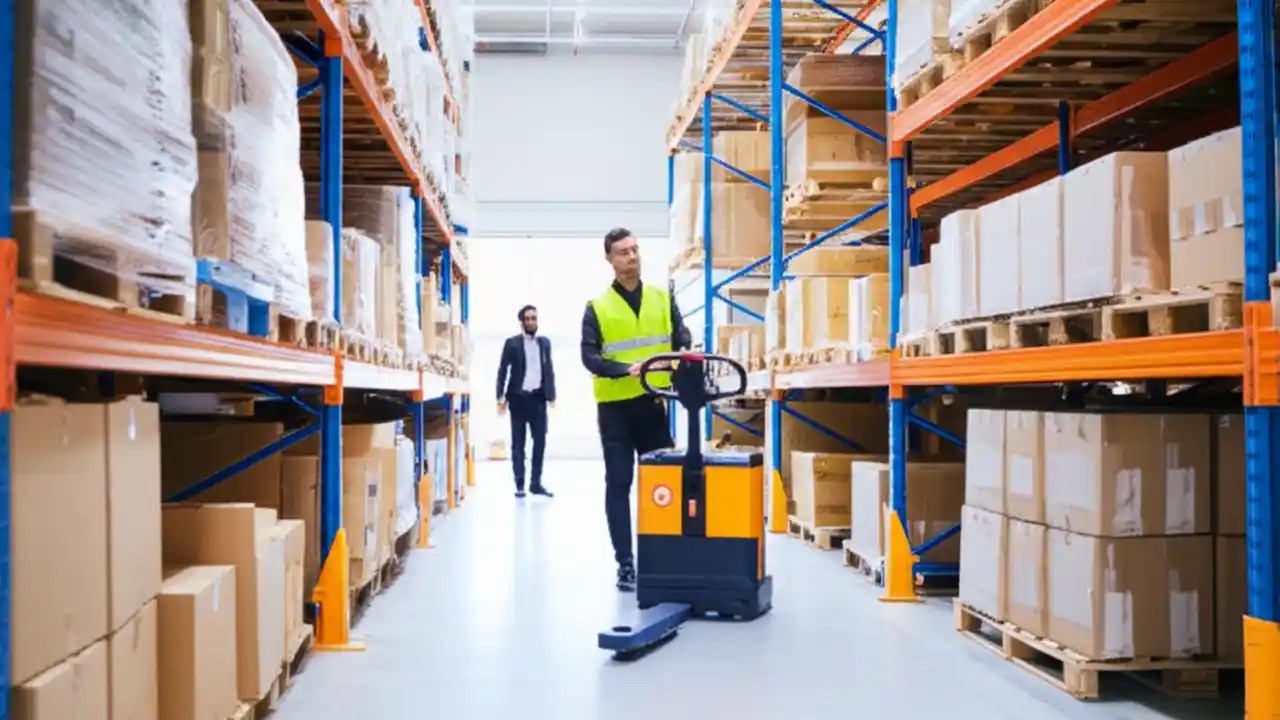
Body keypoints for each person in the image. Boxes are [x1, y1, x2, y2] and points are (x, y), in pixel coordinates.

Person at [581, 228, 690, 591]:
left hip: (652, 404)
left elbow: (682, 337)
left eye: (635, 249)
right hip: (615, 411)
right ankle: (625, 563)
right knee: (620, 484)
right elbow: (589, 357)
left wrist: (679, 360)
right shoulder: (597, 307)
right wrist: (624, 369)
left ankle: (665, 553)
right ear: (609, 260)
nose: (632, 256)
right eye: (624, 252)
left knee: (663, 480)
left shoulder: (662, 298)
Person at [496, 304, 556, 499]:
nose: (531, 322)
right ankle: (520, 484)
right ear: (521, 322)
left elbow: (549, 369)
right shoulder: (512, 343)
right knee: (518, 443)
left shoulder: (544, 343)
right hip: (519, 399)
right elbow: (503, 370)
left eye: (534, 318)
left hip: (538, 399)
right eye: (527, 319)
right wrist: (501, 397)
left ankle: (536, 483)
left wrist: (551, 394)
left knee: (539, 442)